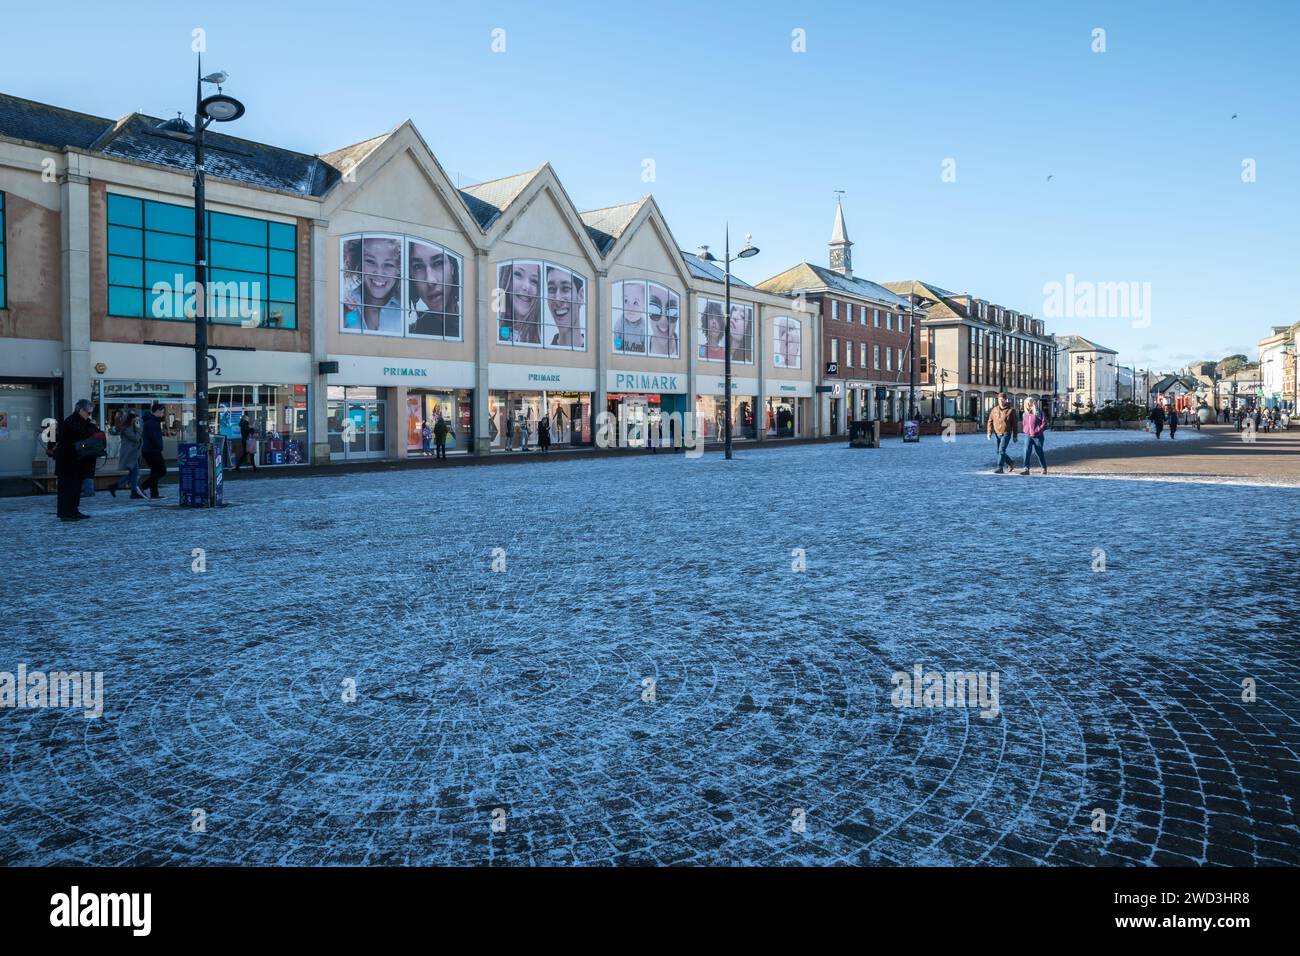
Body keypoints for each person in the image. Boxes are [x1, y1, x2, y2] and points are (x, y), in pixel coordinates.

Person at [53, 399, 99, 520]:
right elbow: (84, 434)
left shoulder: (82, 421)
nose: (89, 416)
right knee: (67, 489)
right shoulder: (71, 421)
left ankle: (74, 511)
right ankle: (66, 513)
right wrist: (92, 426)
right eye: (88, 413)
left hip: (77, 461)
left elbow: (94, 433)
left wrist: (92, 426)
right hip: (67, 461)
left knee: (76, 488)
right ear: (80, 410)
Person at [111, 411, 144, 498]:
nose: (137, 422)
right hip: (129, 454)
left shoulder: (131, 427)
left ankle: (116, 486)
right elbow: (136, 438)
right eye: (136, 420)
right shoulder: (127, 429)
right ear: (131, 419)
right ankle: (130, 491)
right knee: (134, 473)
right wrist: (138, 428)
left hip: (134, 454)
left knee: (133, 473)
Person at [986, 392, 1019, 474]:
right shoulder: (994, 410)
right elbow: (990, 421)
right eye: (999, 400)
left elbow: (1015, 425)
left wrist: (1015, 436)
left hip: (1006, 433)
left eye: (1003, 400)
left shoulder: (1011, 410)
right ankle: (1010, 462)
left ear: (1005, 400)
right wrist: (989, 432)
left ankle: (999, 467)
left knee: (1001, 450)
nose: (1001, 401)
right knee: (999, 451)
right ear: (998, 400)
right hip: (997, 433)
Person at [141, 402, 167, 499]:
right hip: (152, 450)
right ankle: (143, 487)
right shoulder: (152, 422)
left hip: (149, 450)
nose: (163, 414)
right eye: (162, 412)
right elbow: (154, 437)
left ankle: (154, 494)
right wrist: (159, 446)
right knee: (161, 471)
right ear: (157, 411)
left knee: (155, 471)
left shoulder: (151, 421)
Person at [1020, 397, 1047, 474]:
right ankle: (1026, 469)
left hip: (1038, 436)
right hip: (1028, 435)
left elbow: (1044, 423)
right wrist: (1025, 430)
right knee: (1026, 451)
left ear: (1033, 403)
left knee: (1039, 452)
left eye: (1030, 402)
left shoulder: (1039, 413)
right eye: (1027, 403)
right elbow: (1024, 424)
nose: (1028, 404)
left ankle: (1044, 467)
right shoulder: (1024, 414)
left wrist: (1037, 430)